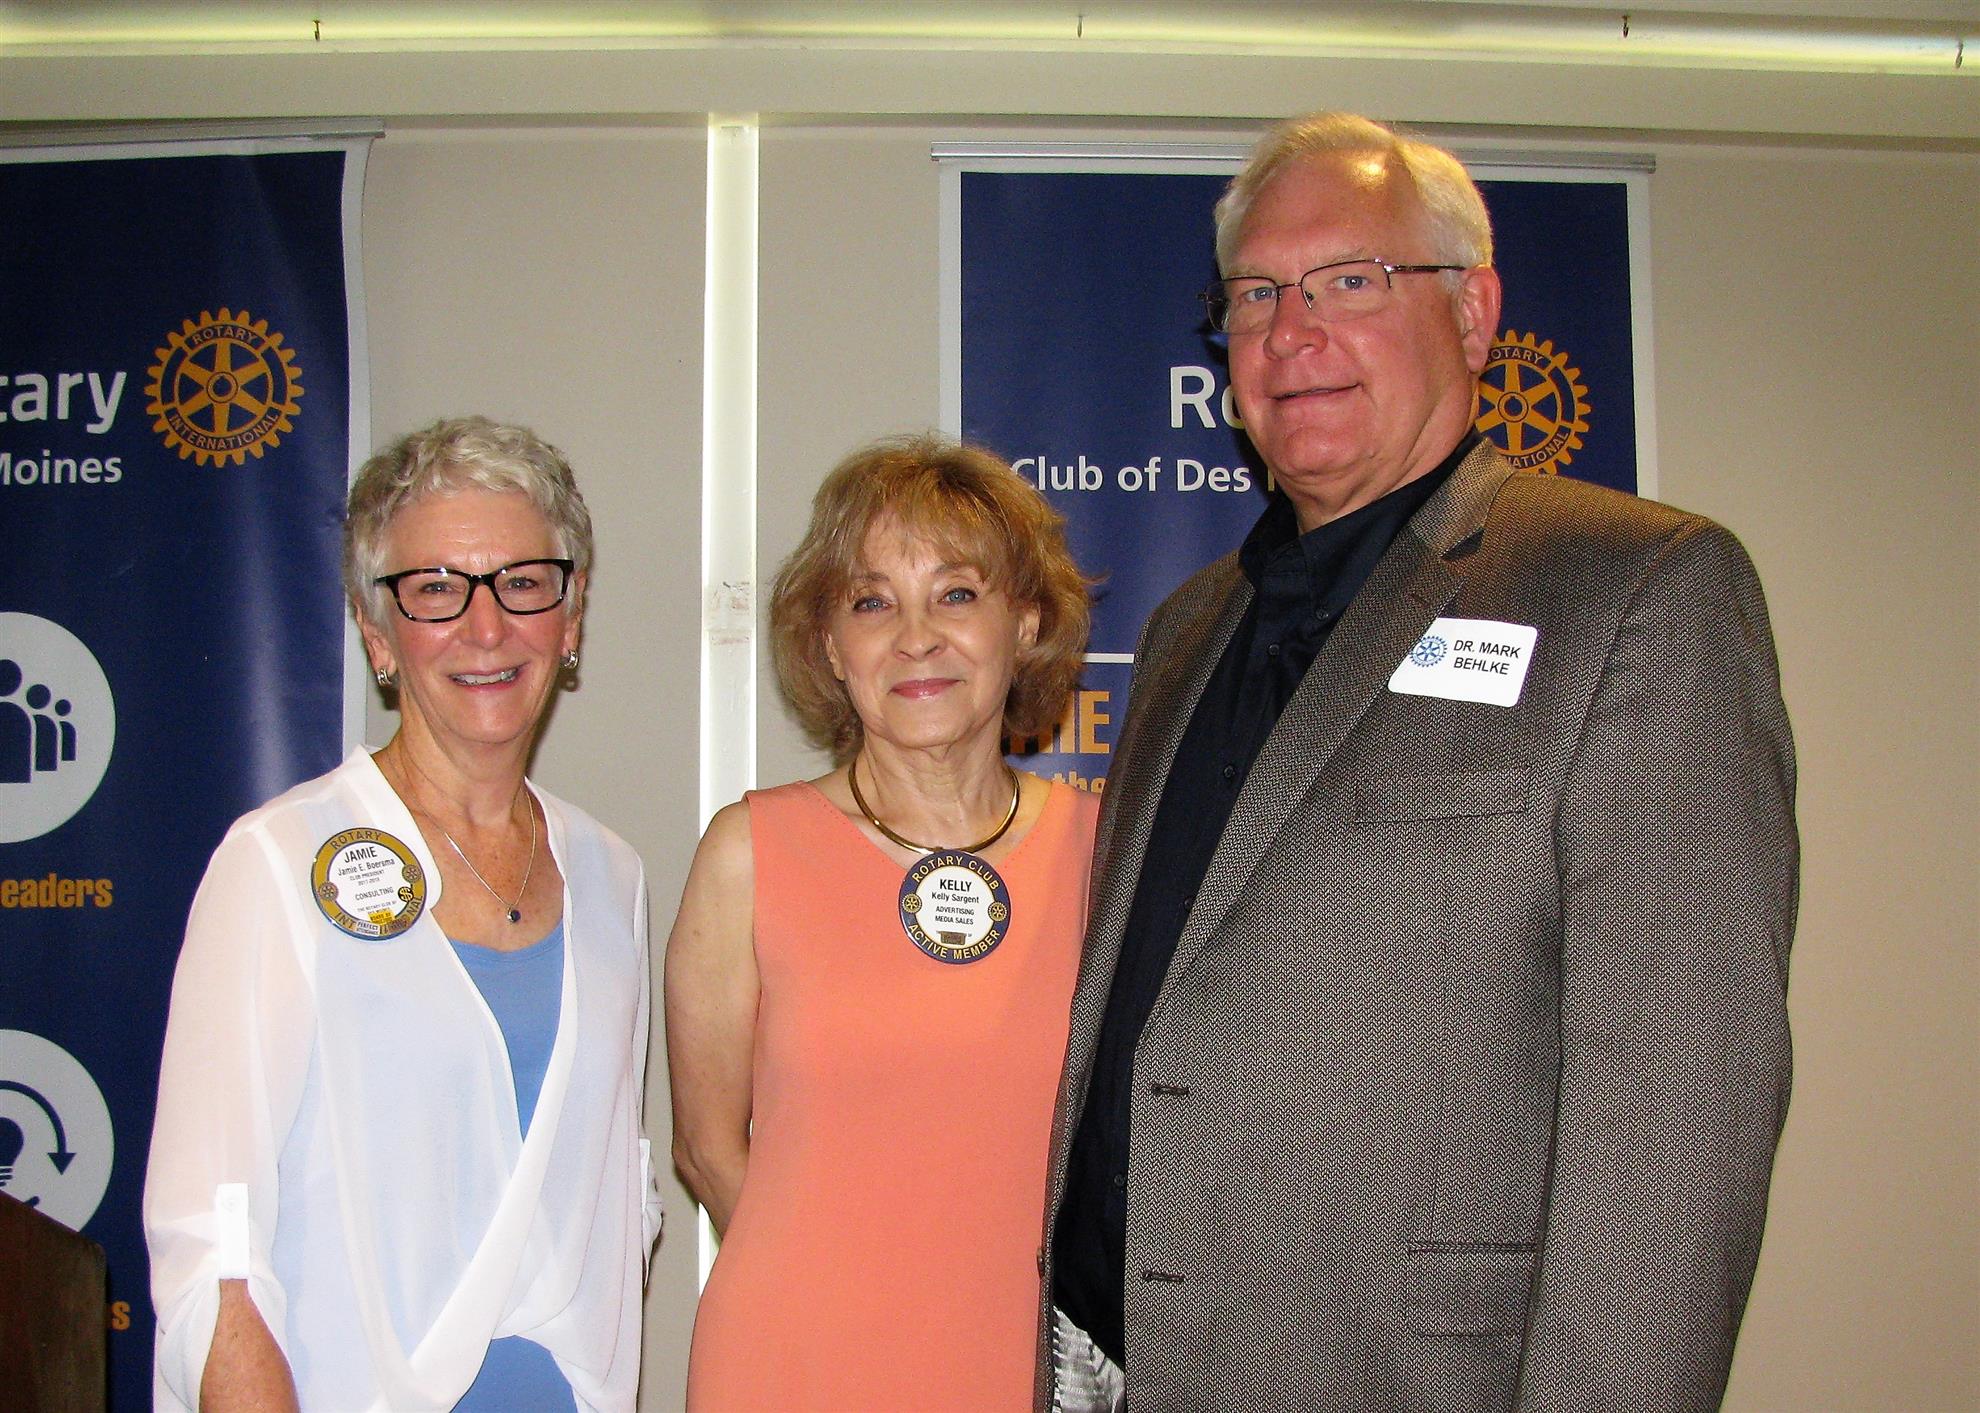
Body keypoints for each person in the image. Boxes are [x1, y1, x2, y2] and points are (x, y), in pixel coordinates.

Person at [1042, 112, 1798, 1412]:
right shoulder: (1184, 629)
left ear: (1473, 310)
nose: (1292, 332)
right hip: (1100, 1370)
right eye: (1256, 294)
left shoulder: (1634, 591)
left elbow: (1679, 1112)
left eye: (1350, 280)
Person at [145, 417, 662, 1412]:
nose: (486, 627)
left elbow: (609, 1207)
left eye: (523, 582)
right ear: (376, 631)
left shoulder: (613, 877)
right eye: (435, 589)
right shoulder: (278, 862)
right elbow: (216, 1247)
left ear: (572, 615)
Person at [668, 435, 1096, 1411]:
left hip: (1024, 1365)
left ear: (1025, 622)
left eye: (956, 594)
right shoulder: (749, 852)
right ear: (831, 645)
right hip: (796, 1365)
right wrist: (833, 1300)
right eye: (872, 603)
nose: (916, 638)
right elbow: (706, 1148)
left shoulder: (1106, 856)